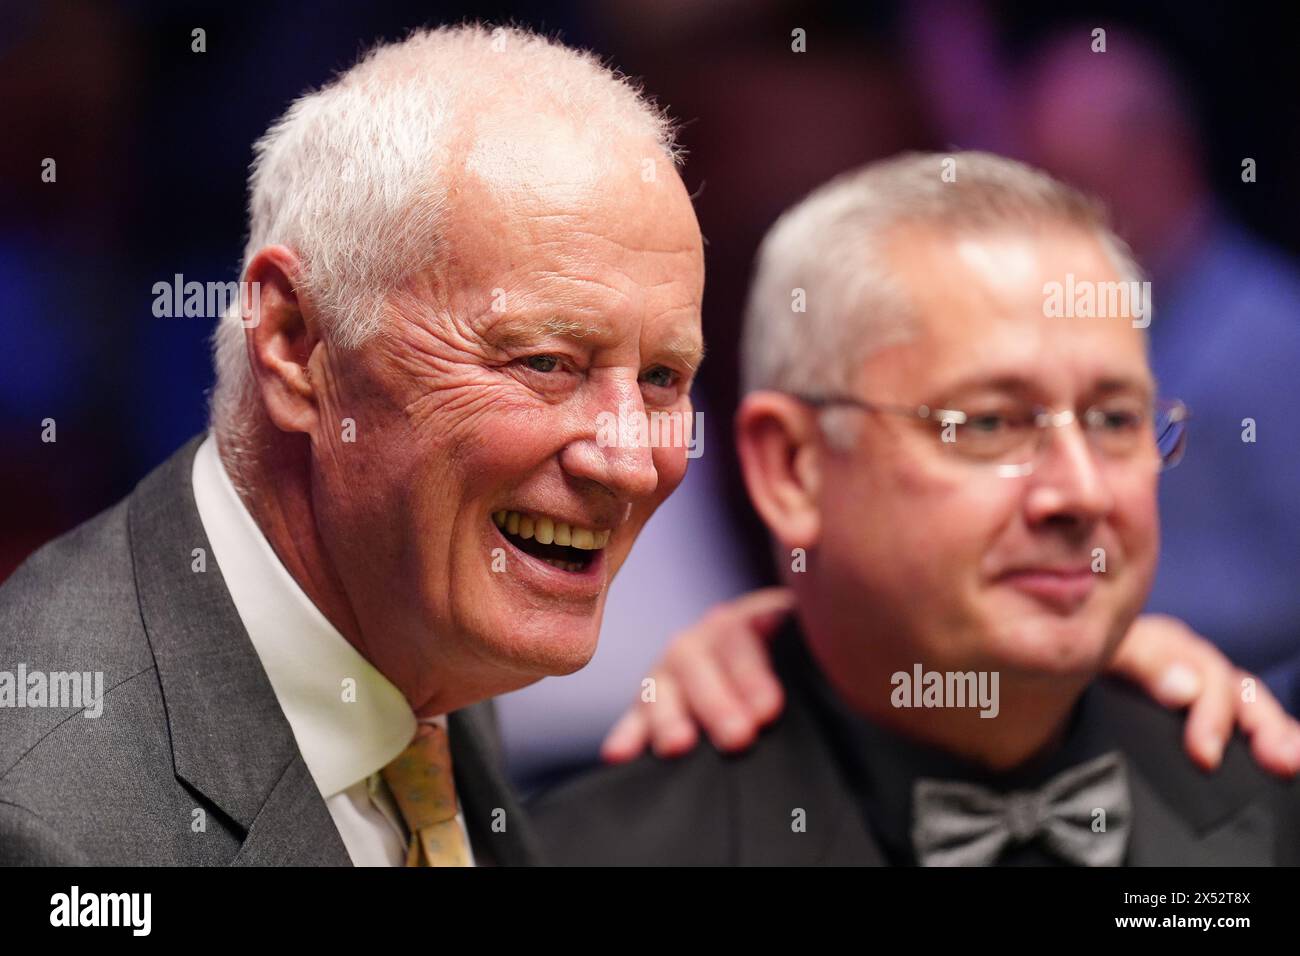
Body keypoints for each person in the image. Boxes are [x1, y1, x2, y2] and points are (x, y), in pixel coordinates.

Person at [1, 27, 1292, 868]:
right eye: (548, 362)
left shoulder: (411, 657)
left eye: (665, 376)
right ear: (293, 340)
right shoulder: (58, 813)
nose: (632, 459)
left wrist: (1001, 647)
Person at [532, 152, 1300, 865]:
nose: (1083, 493)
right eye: (990, 423)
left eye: (1115, 419)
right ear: (793, 469)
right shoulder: (586, 855)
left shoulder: (1269, 802)